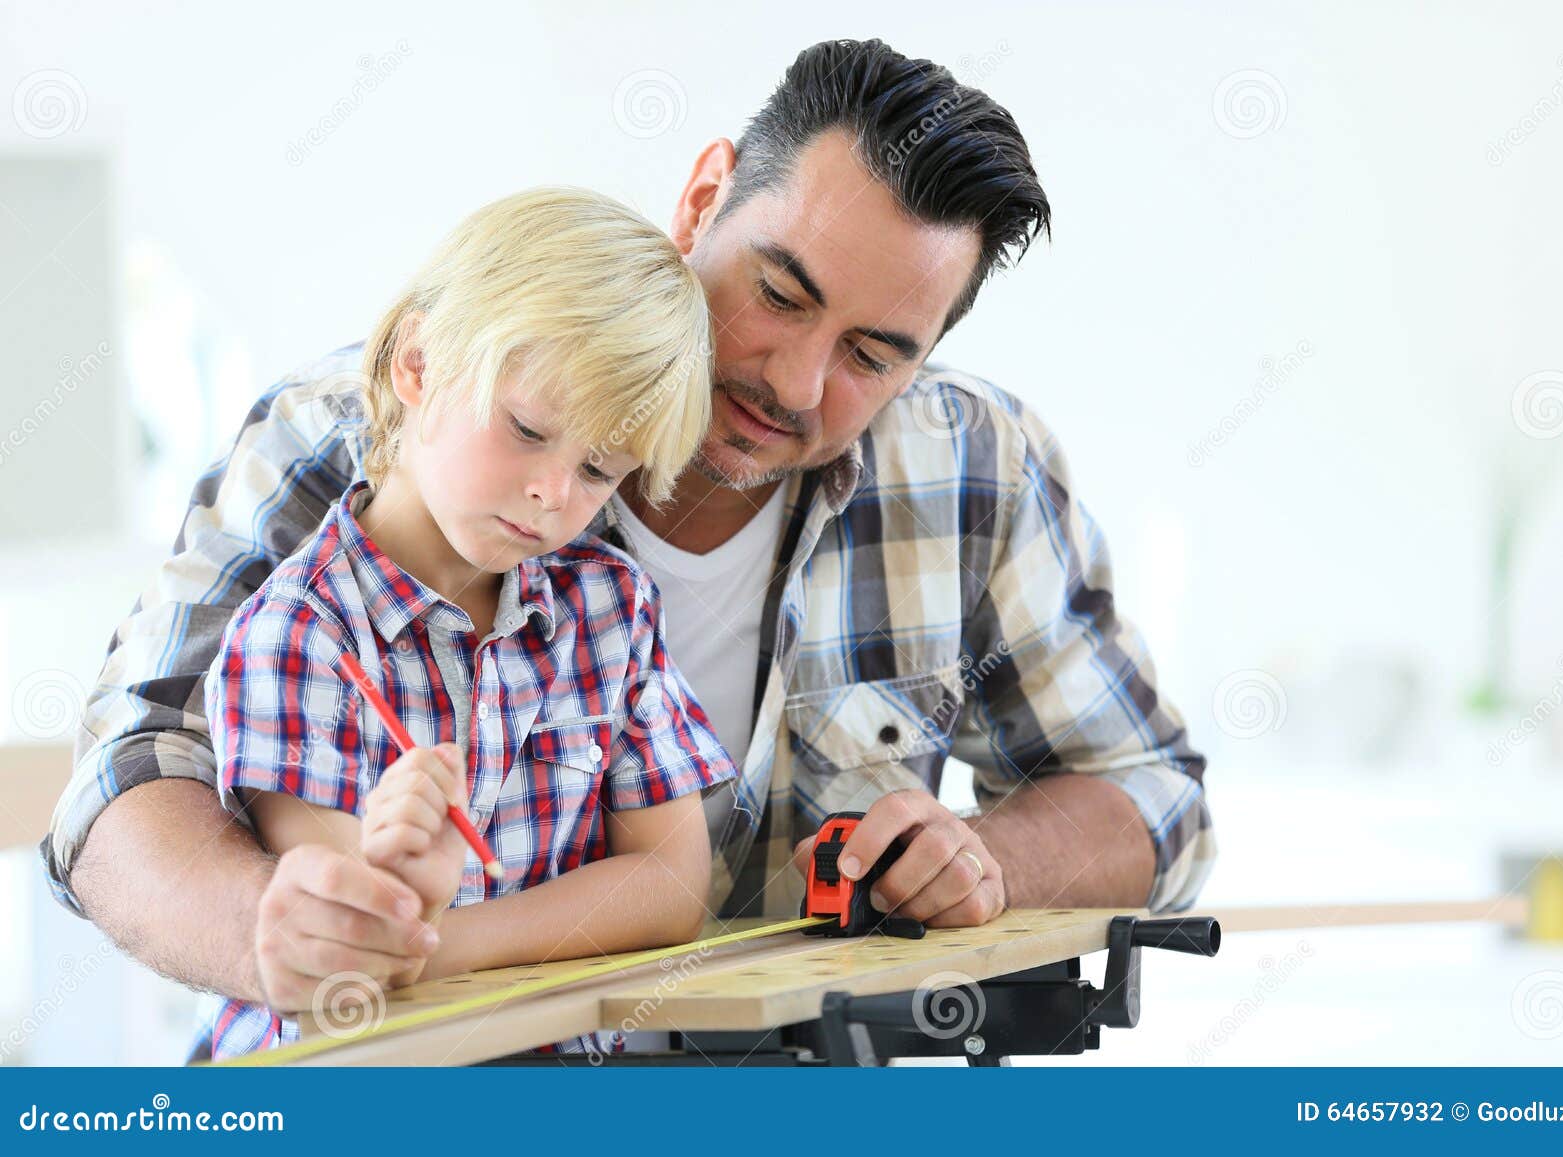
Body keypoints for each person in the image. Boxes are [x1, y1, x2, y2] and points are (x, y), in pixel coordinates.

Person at [46, 39, 1217, 1032]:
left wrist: (988, 858)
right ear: (703, 198)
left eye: (871, 355)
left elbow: (1151, 791)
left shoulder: (973, 464)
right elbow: (124, 776)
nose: (797, 383)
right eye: (780, 295)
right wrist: (287, 937)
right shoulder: (355, 434)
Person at [197, 186, 736, 1059]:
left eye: (599, 470)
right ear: (417, 365)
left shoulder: (611, 609)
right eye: (527, 429)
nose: (553, 493)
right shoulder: (298, 633)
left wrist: (446, 939)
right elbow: (350, 937)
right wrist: (404, 896)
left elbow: (672, 883)